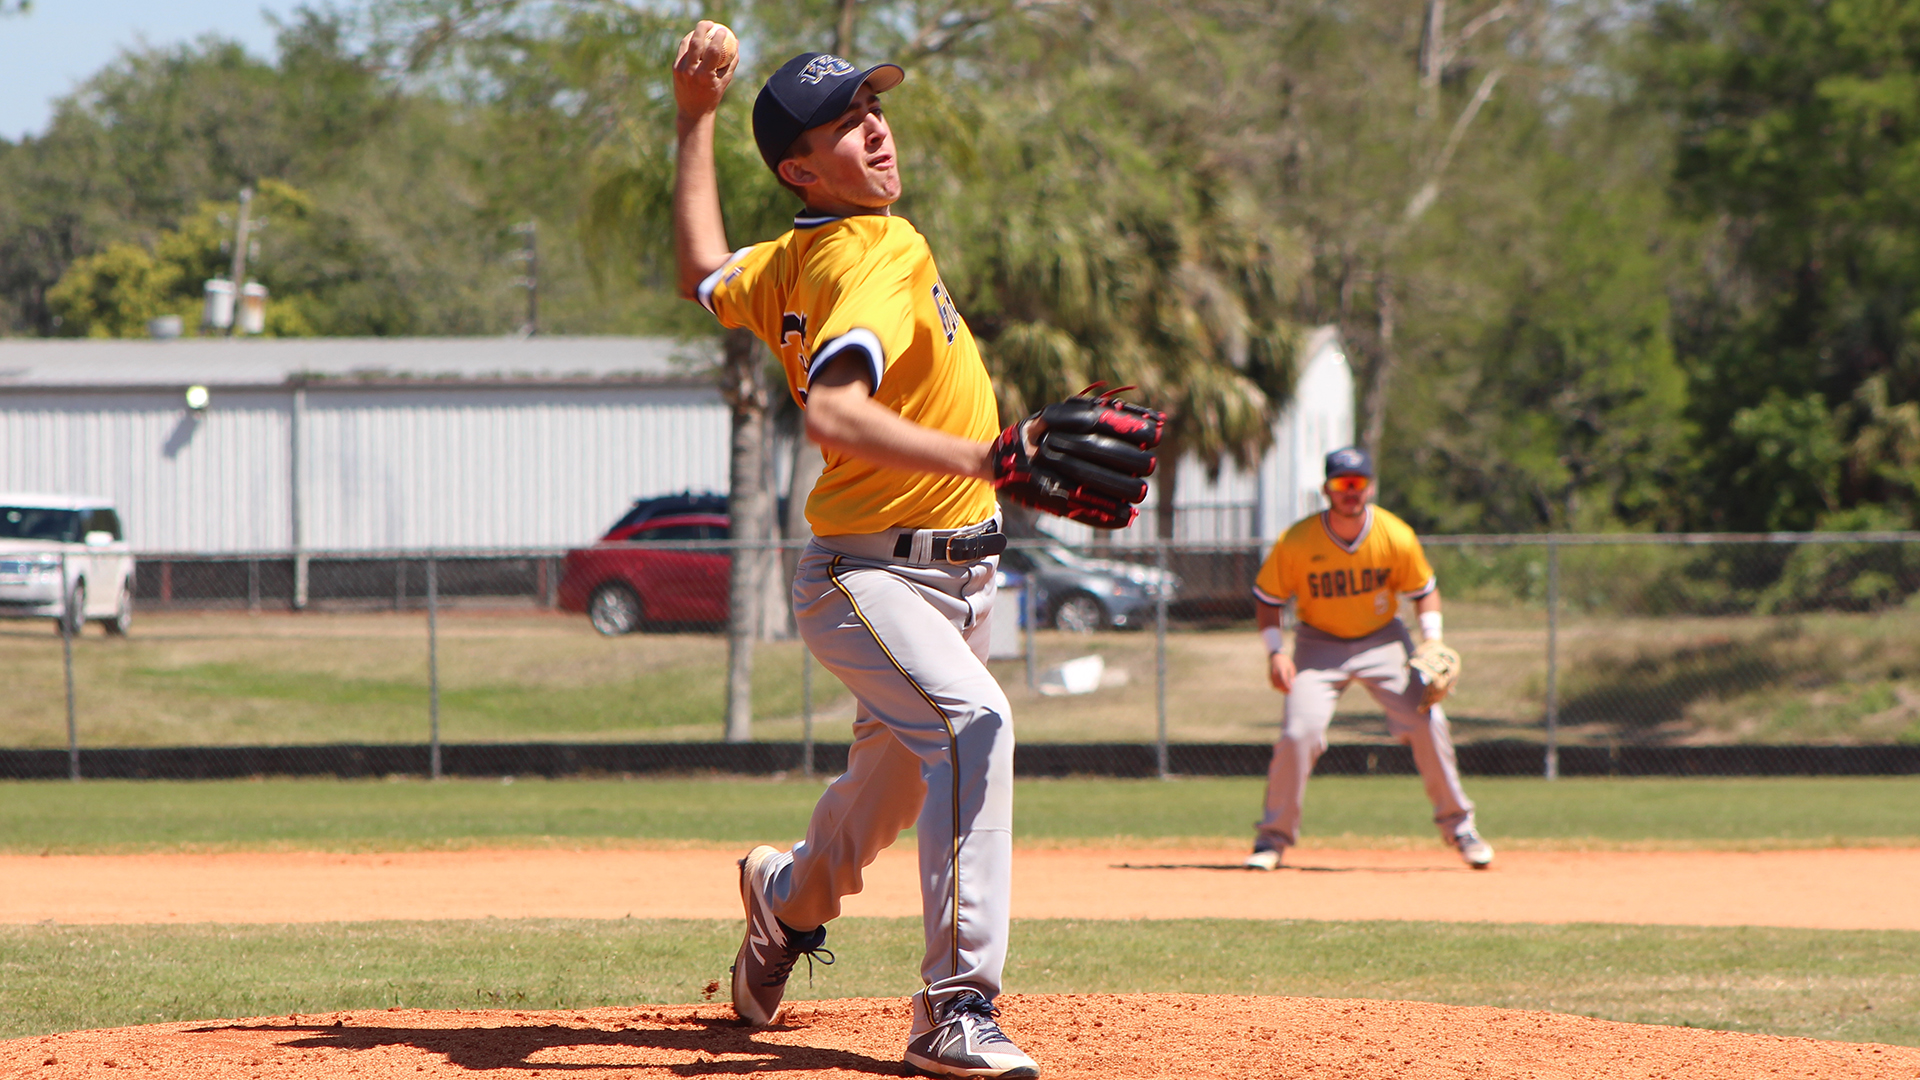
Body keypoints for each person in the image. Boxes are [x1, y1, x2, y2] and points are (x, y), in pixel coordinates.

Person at [671, 23, 1040, 1079]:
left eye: (872, 108)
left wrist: (693, 121)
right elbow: (833, 411)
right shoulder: (874, 251)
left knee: (882, 806)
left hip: (955, 576)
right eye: (844, 125)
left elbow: (702, 268)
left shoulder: (790, 260)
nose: (875, 130)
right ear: (800, 170)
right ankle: (954, 1010)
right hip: (868, 575)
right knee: (973, 726)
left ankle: (781, 901)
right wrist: (991, 456)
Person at [1242, 446, 1493, 872]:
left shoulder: (1394, 535)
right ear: (1327, 489)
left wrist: (1432, 641)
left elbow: (1424, 590)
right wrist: (1276, 652)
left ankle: (1461, 828)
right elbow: (1268, 599)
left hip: (1383, 640)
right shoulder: (1298, 541)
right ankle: (1271, 840)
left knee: (1428, 722)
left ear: (1371, 487)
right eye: (1342, 483)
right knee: (1299, 733)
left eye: (1358, 483)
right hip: (1318, 644)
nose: (1350, 491)